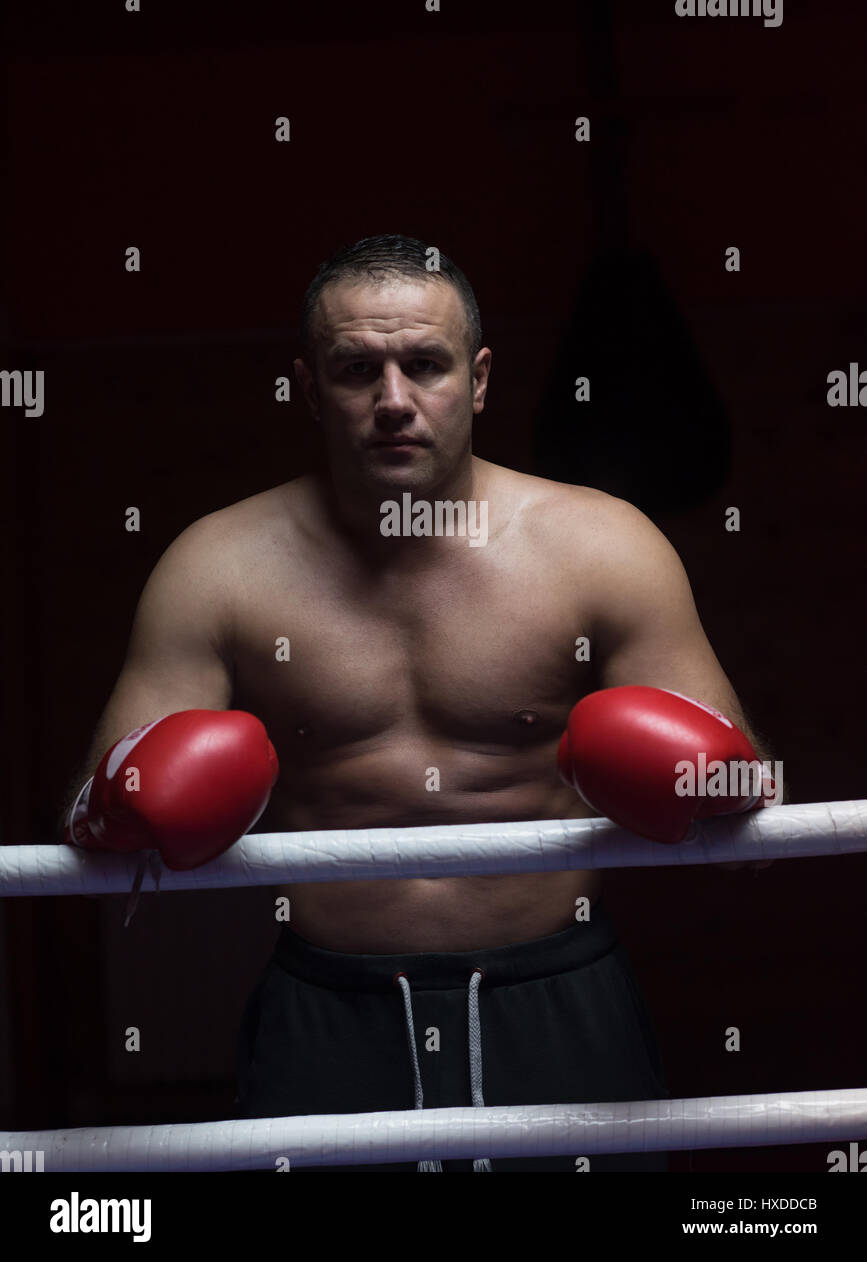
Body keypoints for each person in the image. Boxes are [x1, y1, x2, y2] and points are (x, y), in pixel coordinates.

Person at [65, 234, 774, 1172]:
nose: (393, 401)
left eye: (424, 366)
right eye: (358, 370)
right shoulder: (219, 568)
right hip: (328, 1007)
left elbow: (748, 793)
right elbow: (93, 813)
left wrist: (702, 780)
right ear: (311, 388)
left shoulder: (601, 548)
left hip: (558, 994)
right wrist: (132, 803)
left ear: (476, 381)